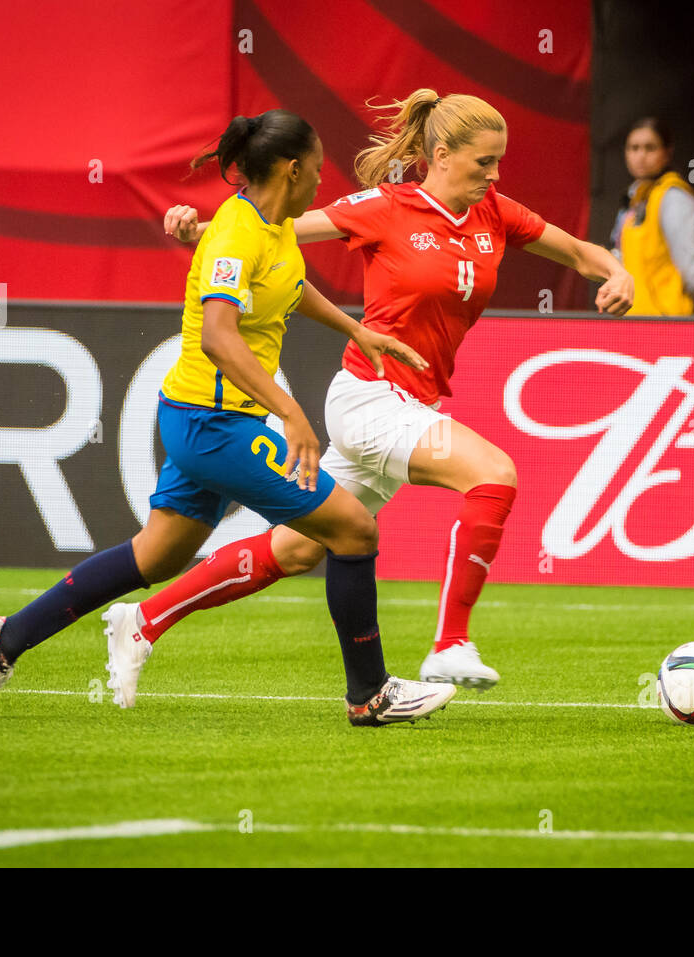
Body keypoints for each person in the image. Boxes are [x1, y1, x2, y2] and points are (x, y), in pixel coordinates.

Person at [108, 88, 634, 707]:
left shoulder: (495, 212)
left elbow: (577, 252)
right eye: (483, 162)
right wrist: (198, 224)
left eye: (498, 163)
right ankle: (450, 644)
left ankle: (143, 622)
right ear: (441, 155)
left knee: (300, 547)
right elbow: (277, 225)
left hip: (415, 403)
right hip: (370, 398)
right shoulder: (385, 207)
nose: (494, 175)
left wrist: (616, 271)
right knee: (494, 474)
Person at [0, 109, 456, 728]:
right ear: (292, 167)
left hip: (202, 419)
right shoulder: (236, 232)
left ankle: (3, 638)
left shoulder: (272, 227)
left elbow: (290, 287)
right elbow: (222, 337)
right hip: (214, 425)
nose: (323, 178)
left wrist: (360, 330)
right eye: (319, 166)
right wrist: (291, 411)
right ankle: (371, 694)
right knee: (353, 531)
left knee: (157, 557)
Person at [609, 117, 694, 315]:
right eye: (633, 148)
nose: (641, 156)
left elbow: (693, 271)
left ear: (667, 152)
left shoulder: (674, 199)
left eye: (650, 148)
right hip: (633, 318)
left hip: (668, 321)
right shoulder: (634, 198)